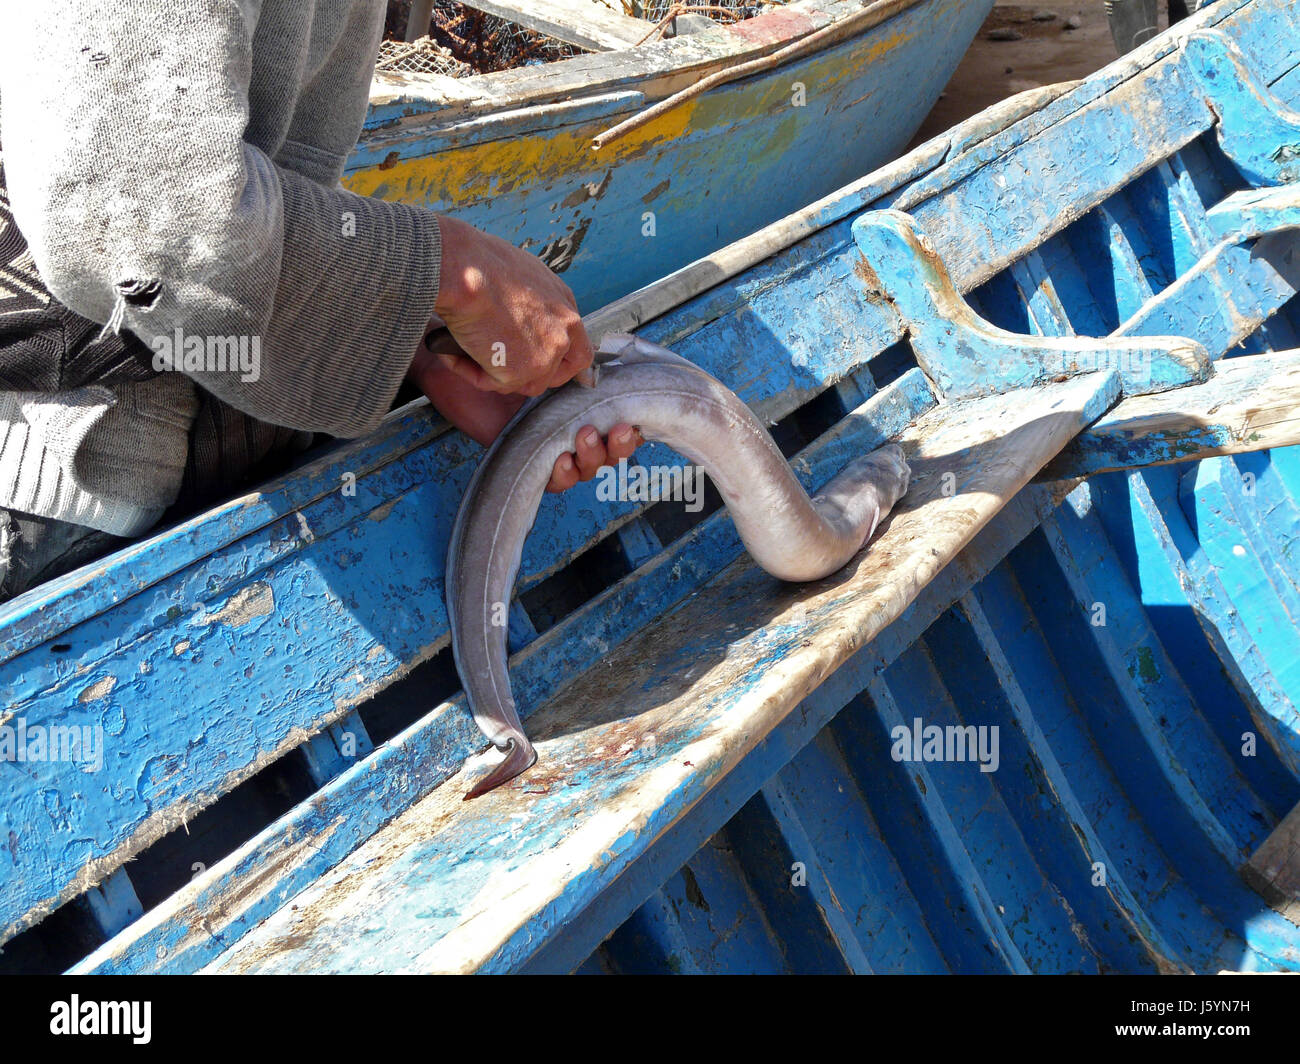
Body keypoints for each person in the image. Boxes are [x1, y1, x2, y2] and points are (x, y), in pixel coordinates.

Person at [0, 1, 642, 601]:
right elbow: (135, 212)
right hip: (56, 498)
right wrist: (449, 271)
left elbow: (263, 171)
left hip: (245, 454)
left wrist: (415, 350)